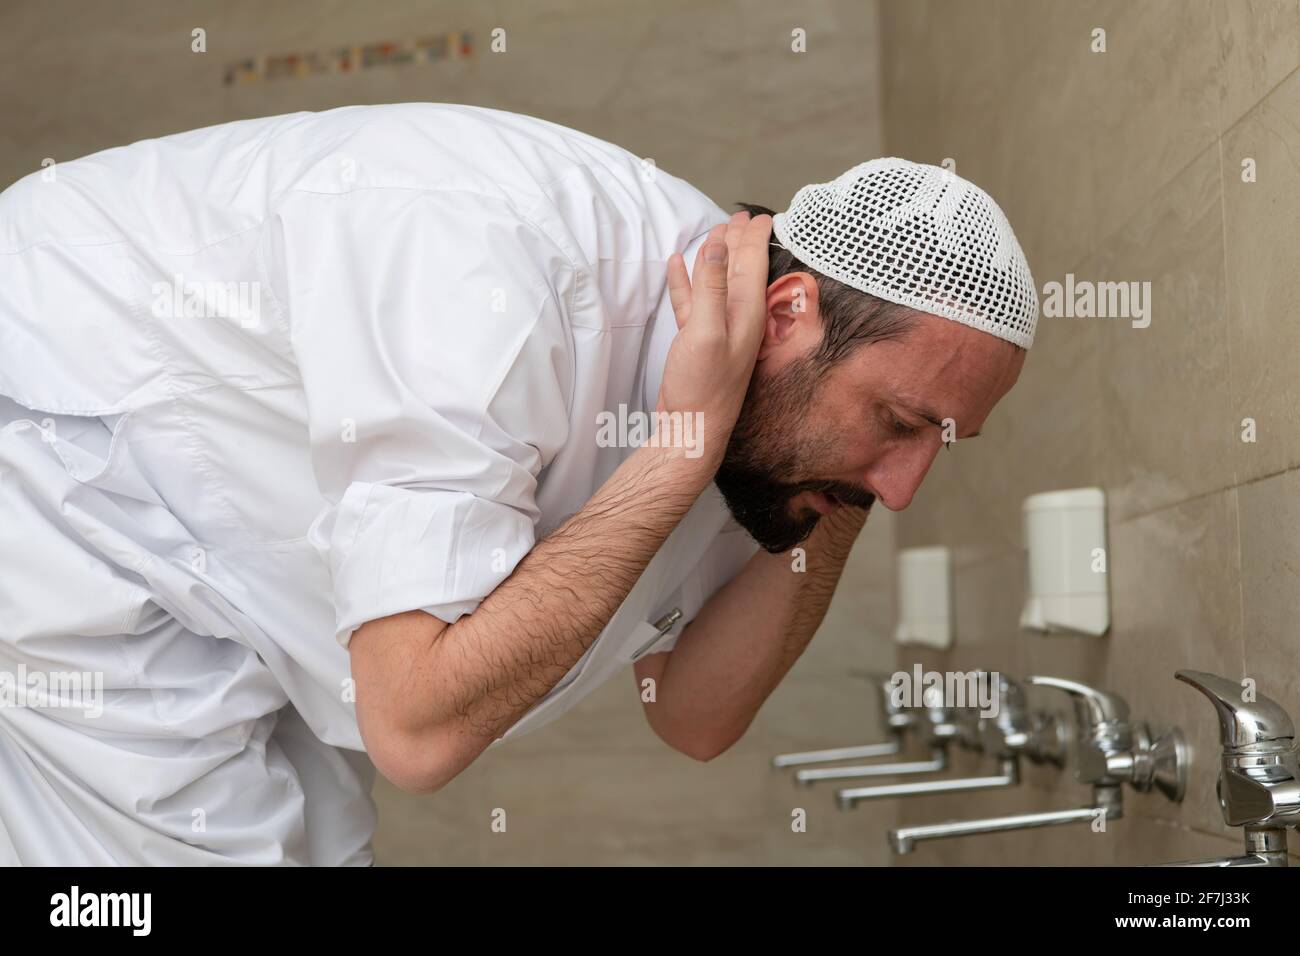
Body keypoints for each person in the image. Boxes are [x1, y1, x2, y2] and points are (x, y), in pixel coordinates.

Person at [0, 103, 1036, 864]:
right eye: (900, 425)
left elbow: (693, 714)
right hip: (70, 447)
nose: (906, 486)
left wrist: (845, 483)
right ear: (785, 314)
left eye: (943, 439)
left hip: (234, 561)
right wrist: (676, 445)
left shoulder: (773, 409)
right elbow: (416, 725)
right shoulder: (494, 273)